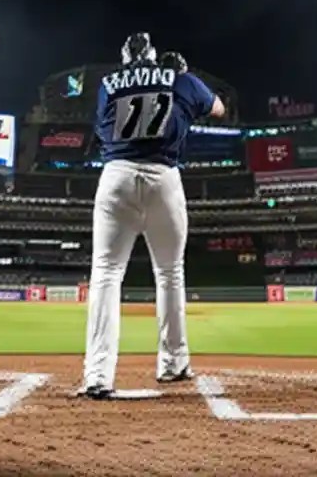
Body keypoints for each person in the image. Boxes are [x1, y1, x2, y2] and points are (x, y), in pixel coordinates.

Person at [80, 33, 225, 398]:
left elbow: (102, 125)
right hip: (164, 176)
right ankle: (173, 363)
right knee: (170, 273)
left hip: (116, 174)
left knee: (106, 276)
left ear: (125, 57)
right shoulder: (179, 78)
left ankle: (98, 375)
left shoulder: (109, 83)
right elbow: (219, 108)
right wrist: (184, 78)